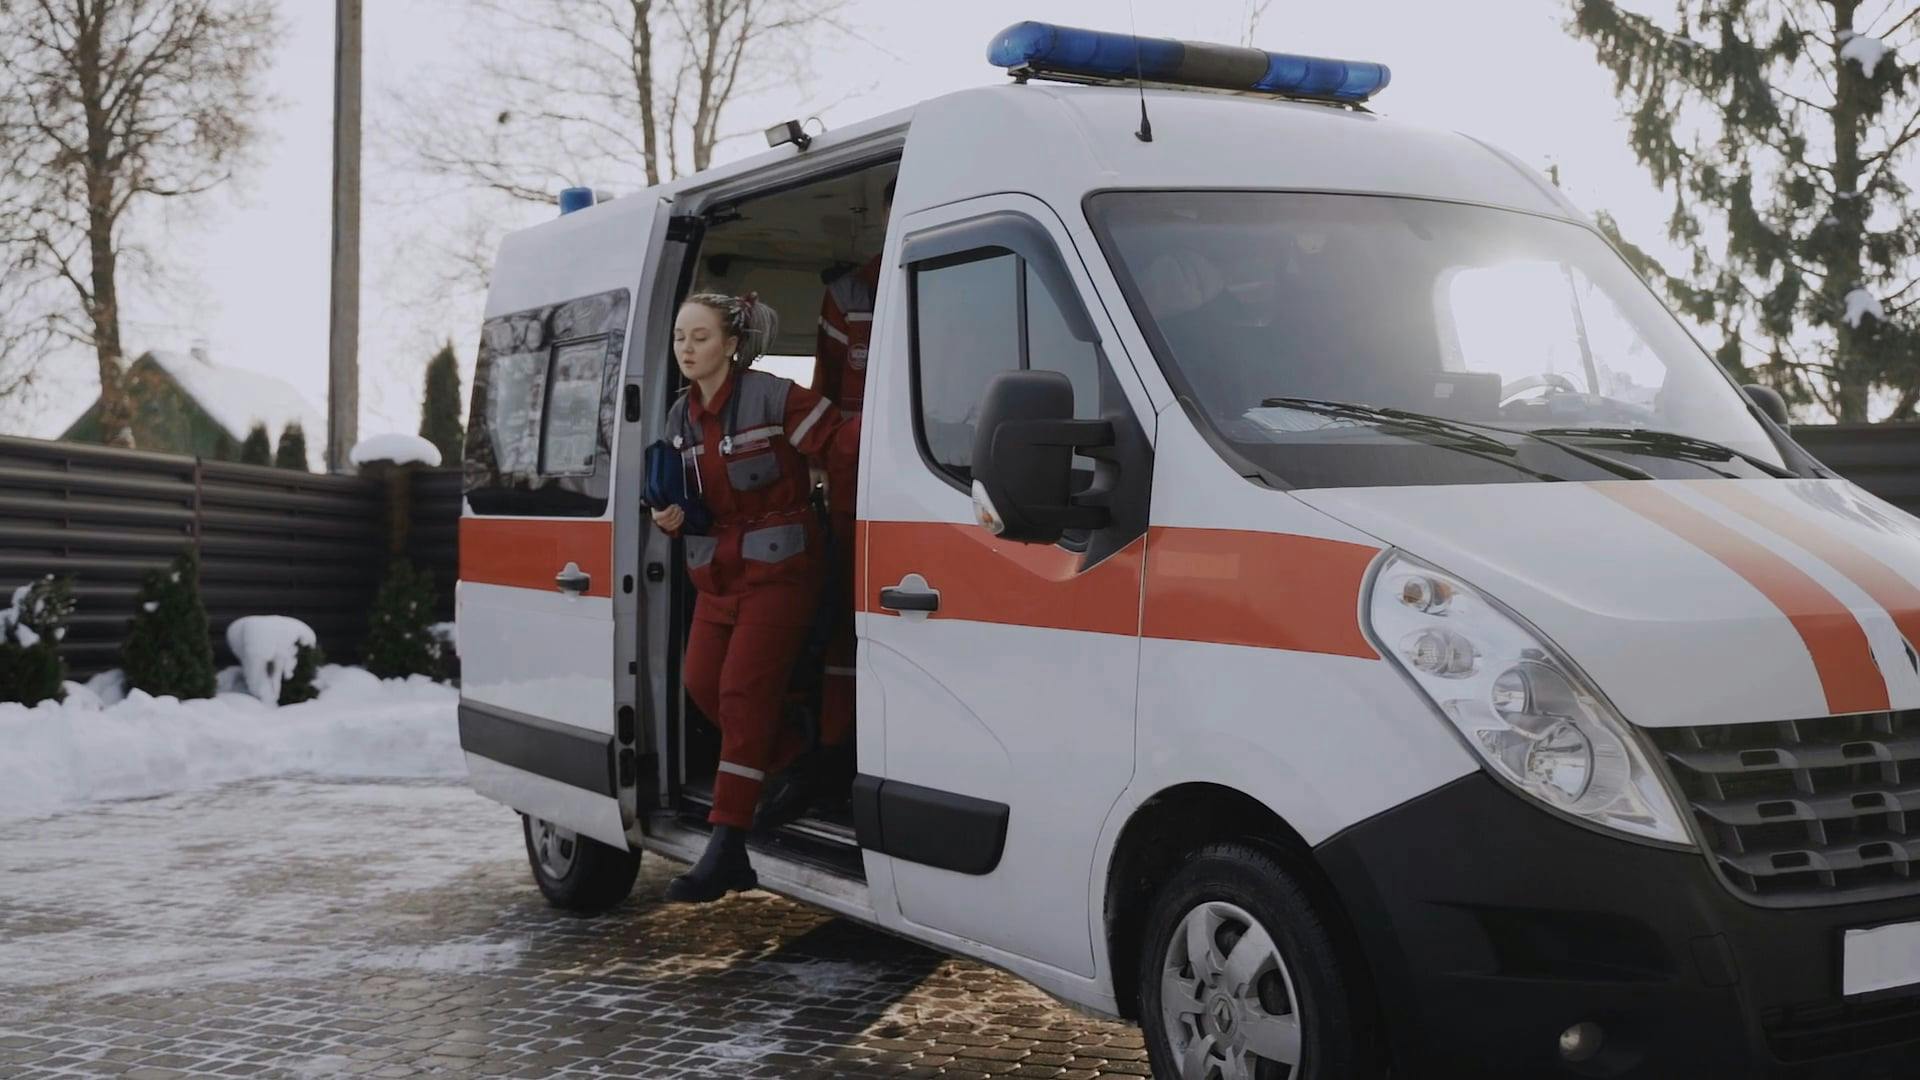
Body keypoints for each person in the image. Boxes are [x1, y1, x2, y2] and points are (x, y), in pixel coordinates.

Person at [651, 292, 849, 903]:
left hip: (781, 567)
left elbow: (844, 447)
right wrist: (670, 515)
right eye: (681, 337)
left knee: (742, 693)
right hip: (716, 572)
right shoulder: (677, 418)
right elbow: (681, 494)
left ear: (731, 344)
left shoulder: (775, 396)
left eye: (700, 337)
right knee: (702, 684)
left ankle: (728, 846)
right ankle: (798, 754)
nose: (687, 348)